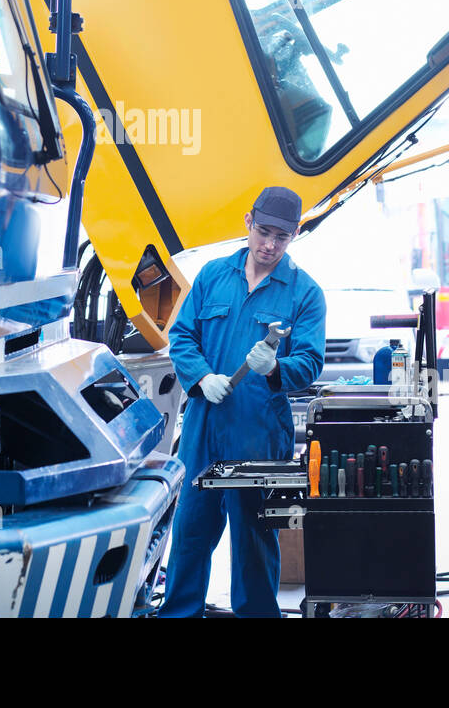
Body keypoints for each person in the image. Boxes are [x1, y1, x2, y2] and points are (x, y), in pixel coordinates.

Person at [158, 186, 325, 618]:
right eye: (264, 231)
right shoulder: (213, 275)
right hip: (204, 426)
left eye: (282, 237)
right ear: (248, 222)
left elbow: (308, 362)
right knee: (191, 531)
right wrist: (201, 377)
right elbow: (180, 337)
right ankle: (179, 613)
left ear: (294, 236)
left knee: (253, 536)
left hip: (260, 432)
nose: (270, 245)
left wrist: (274, 368)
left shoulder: (304, 293)